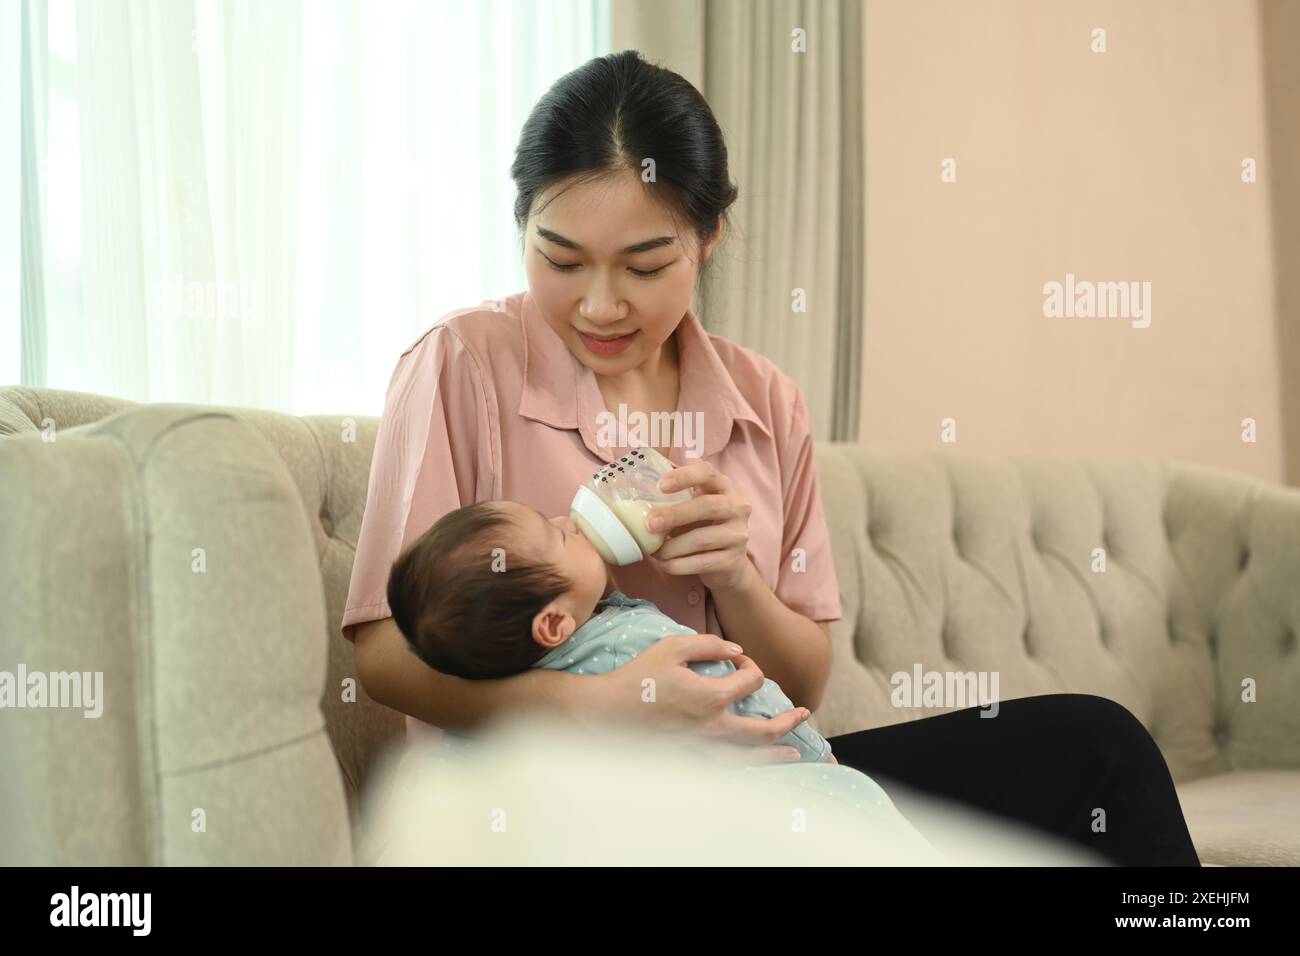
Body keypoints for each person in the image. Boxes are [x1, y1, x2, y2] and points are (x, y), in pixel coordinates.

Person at [343, 49, 1200, 866]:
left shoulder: (764, 400)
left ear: (708, 237)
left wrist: (737, 579)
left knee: (1096, 748)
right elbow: (384, 655)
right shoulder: (462, 364)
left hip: (758, 779)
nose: (600, 306)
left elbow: (804, 682)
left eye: (645, 265)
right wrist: (602, 703)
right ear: (522, 226)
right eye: (561, 259)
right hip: (557, 800)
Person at [384, 498, 835, 763]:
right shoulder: (632, 647)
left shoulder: (479, 718)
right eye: (558, 537)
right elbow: (749, 703)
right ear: (554, 623)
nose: (565, 521)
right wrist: (817, 758)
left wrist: (736, 576)